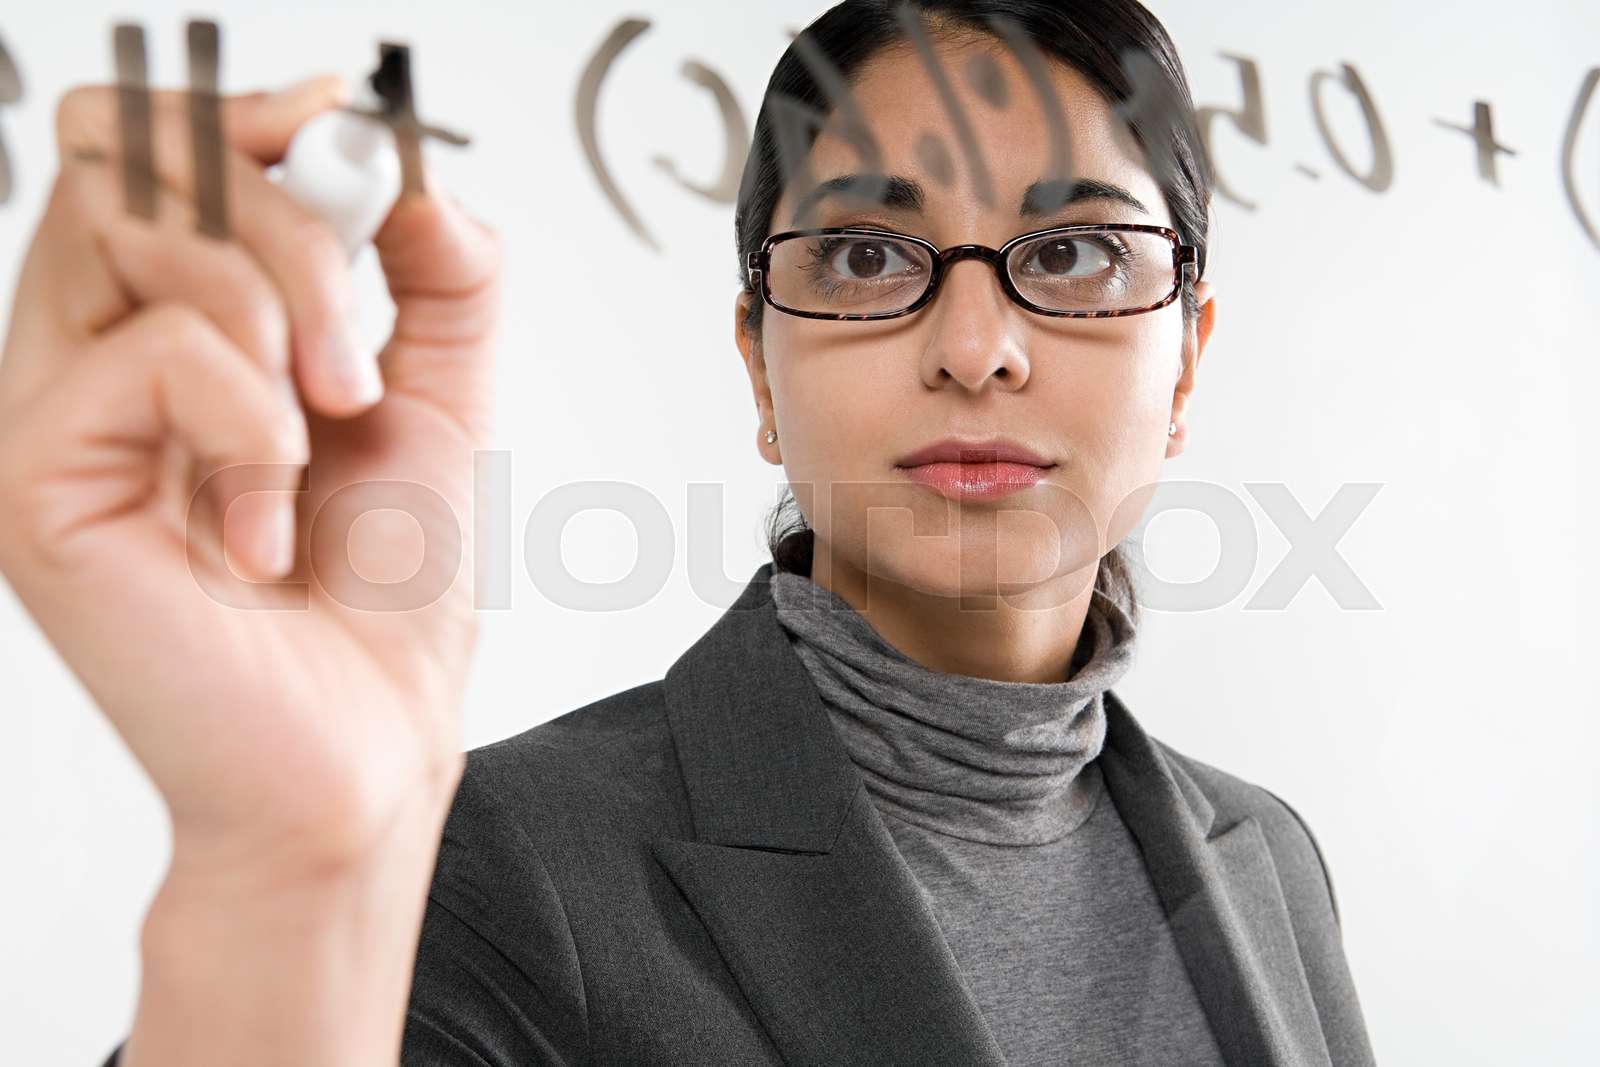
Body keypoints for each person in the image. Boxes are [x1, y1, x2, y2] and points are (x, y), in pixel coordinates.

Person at [0, 2, 1376, 1065]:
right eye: (866, 257)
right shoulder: (498, 859)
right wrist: (282, 870)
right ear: (761, 369)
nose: (976, 346)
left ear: (1185, 367)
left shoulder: (1268, 856)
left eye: (1073, 252)